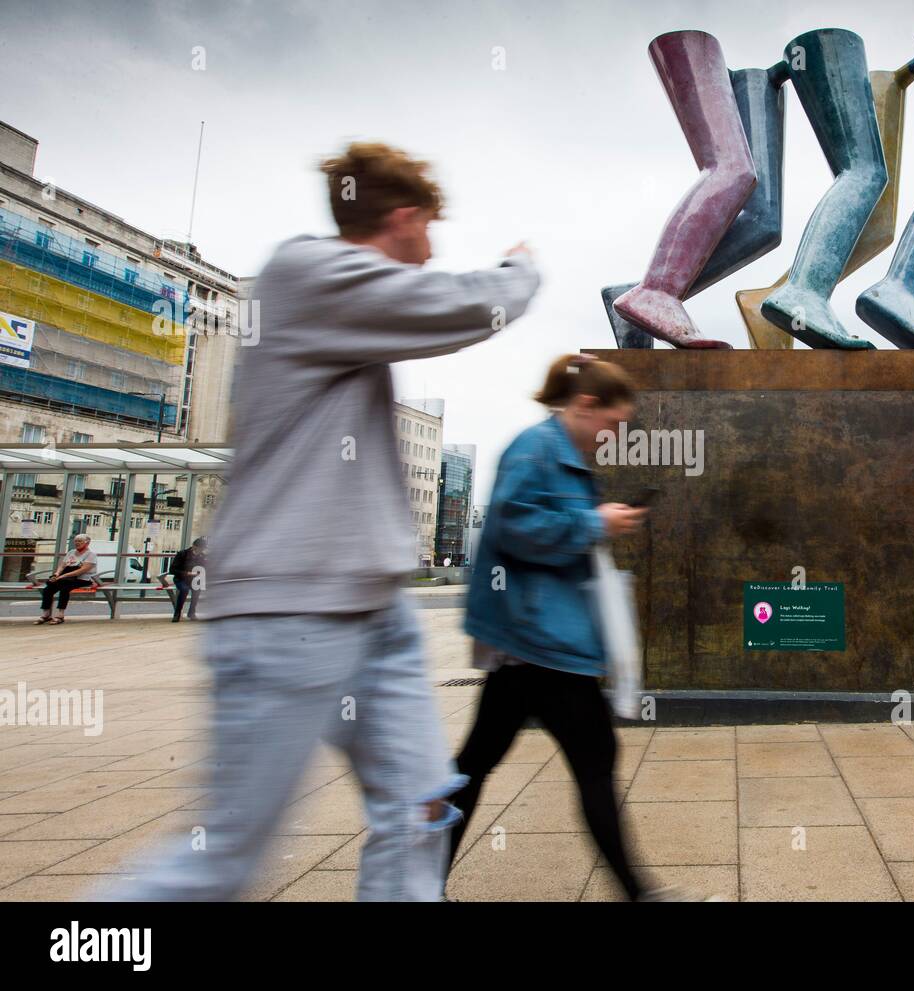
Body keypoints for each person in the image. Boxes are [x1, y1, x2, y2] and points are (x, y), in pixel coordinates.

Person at [107, 141, 540, 902]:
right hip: (289, 611)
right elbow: (462, 306)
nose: (432, 247)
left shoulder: (343, 304)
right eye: (430, 227)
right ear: (403, 218)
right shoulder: (305, 275)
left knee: (419, 815)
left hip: (374, 613)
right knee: (225, 856)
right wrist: (520, 271)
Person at [450, 354, 712, 902]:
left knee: (478, 764)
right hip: (539, 641)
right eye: (613, 424)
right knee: (591, 761)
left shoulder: (556, 450)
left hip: (531, 645)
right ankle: (640, 894)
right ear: (586, 405)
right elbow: (512, 525)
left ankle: (415, 882)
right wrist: (595, 522)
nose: (613, 436)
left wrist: (597, 522)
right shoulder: (536, 449)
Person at [33, 534, 98, 625]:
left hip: (83, 579)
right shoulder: (71, 552)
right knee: (48, 588)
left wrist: (63, 576)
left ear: (87, 543)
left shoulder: (91, 555)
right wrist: (57, 574)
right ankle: (46, 614)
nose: (77, 543)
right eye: (76, 541)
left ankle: (60, 615)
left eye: (80, 541)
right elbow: (62, 565)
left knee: (65, 589)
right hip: (66, 577)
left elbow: (82, 570)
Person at [168, 536, 207, 622]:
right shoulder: (182, 554)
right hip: (181, 579)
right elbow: (172, 570)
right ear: (194, 546)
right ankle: (177, 613)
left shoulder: (202, 556)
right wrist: (186, 573)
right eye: (201, 548)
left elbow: (205, 568)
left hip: (194, 580)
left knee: (197, 590)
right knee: (184, 590)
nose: (201, 551)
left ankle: (191, 613)